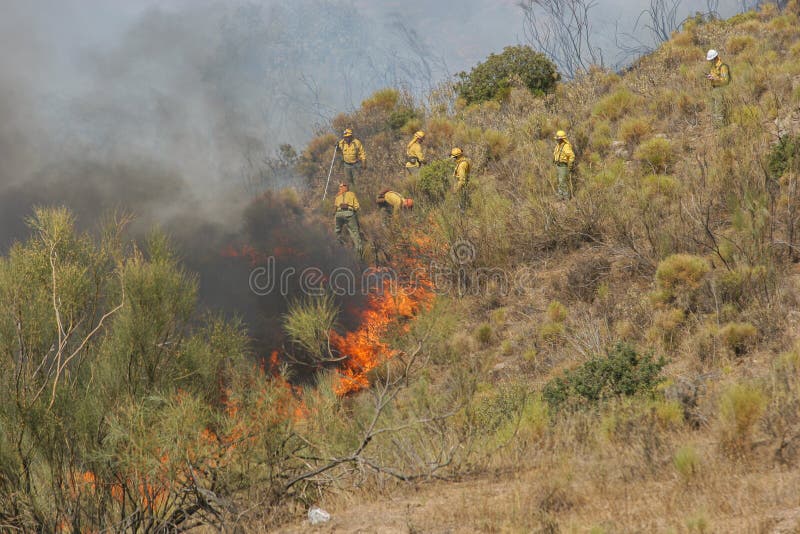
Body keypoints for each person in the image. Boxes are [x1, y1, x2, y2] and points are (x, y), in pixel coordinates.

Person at [334, 182, 363, 258]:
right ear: (347, 187)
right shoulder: (351, 194)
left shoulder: (337, 195)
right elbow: (357, 206)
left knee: (337, 231)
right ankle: (359, 255)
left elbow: (335, 207)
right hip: (349, 213)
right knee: (355, 233)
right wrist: (354, 212)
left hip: (338, 214)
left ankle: (337, 249)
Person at [705, 49, 731, 127]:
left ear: (714, 58)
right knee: (714, 109)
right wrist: (710, 77)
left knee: (719, 108)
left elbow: (725, 81)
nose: (710, 61)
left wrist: (714, 78)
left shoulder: (723, 67)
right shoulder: (713, 67)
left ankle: (721, 127)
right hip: (714, 90)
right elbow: (714, 76)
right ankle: (716, 126)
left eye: (710, 60)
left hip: (721, 89)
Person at [552, 130, 575, 200]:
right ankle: (560, 196)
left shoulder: (566, 146)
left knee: (562, 181)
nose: (557, 140)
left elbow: (572, 156)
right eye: (557, 139)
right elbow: (556, 154)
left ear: (562, 139)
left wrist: (570, 165)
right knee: (559, 181)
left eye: (558, 139)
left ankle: (566, 197)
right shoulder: (558, 146)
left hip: (563, 166)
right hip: (558, 165)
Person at [450, 147, 472, 212]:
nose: (453, 159)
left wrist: (456, 190)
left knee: (462, 205)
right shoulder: (462, 162)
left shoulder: (462, 165)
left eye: (454, 157)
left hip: (461, 188)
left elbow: (462, 181)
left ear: (457, 157)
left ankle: (463, 215)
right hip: (461, 186)